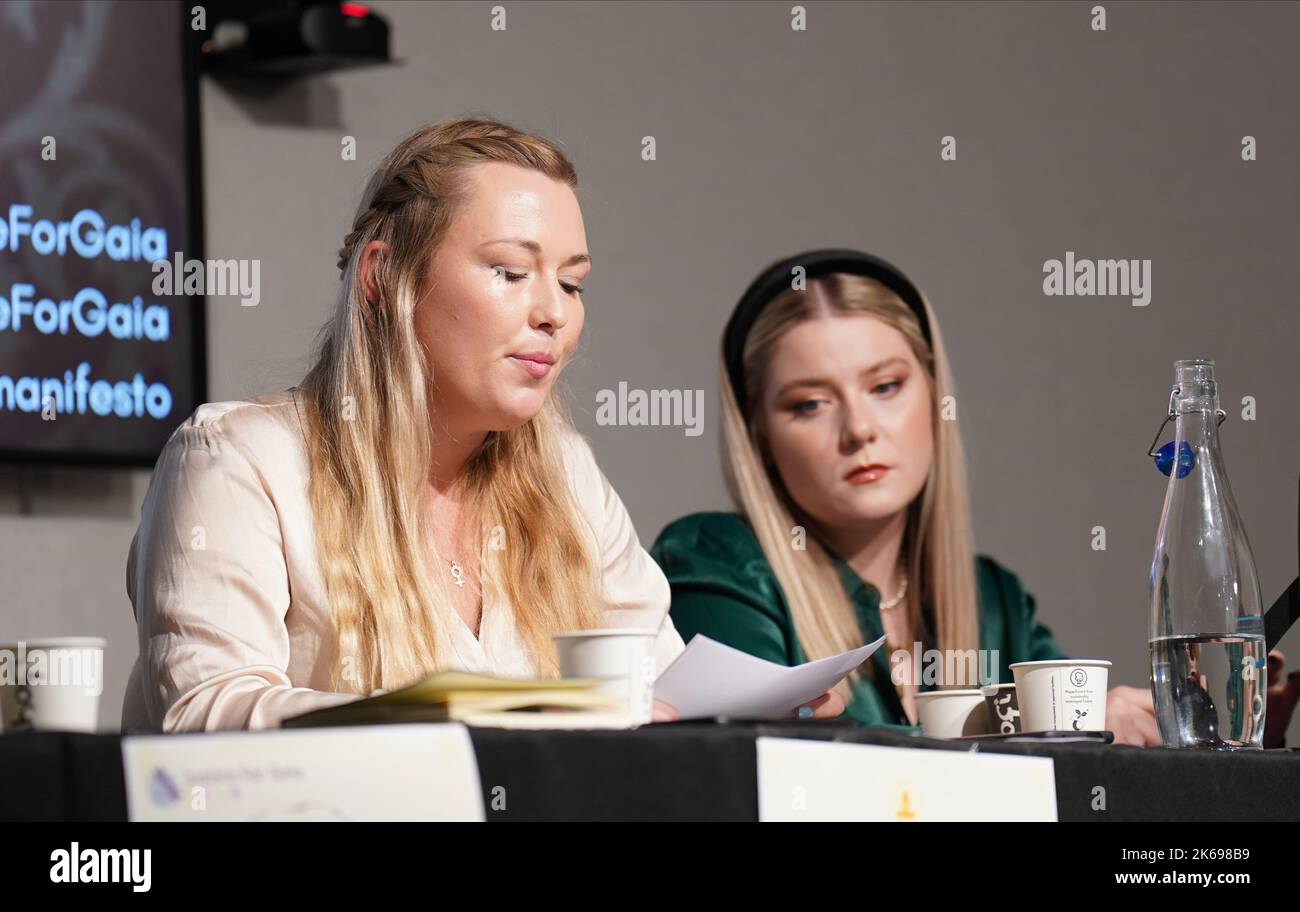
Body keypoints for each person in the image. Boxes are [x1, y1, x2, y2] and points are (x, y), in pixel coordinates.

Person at [121, 118, 845, 733]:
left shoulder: (565, 473)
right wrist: (476, 719)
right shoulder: (239, 460)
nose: (554, 313)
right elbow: (203, 713)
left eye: (571, 282)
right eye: (509, 271)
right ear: (383, 280)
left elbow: (656, 691)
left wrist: (746, 713)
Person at [651, 249, 1177, 744]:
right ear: (760, 435)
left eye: (885, 387)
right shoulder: (715, 562)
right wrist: (1053, 726)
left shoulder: (995, 600)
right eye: (810, 403)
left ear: (933, 393)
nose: (859, 430)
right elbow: (772, 767)